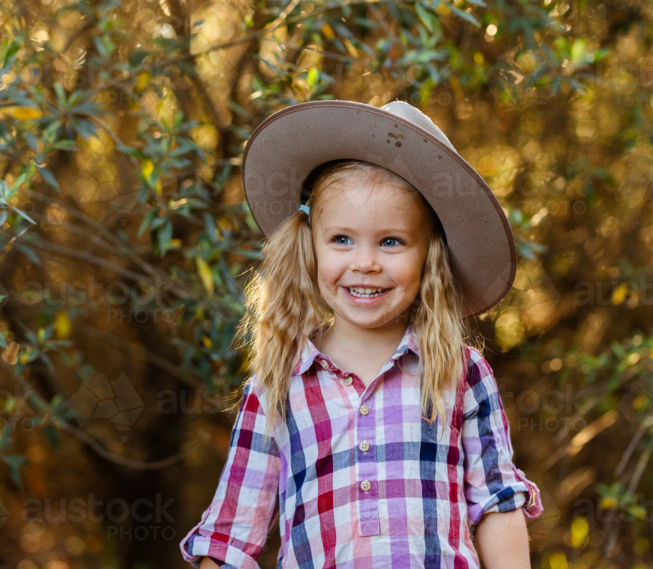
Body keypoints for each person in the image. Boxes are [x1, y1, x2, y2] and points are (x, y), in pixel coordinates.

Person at [180, 100, 543, 569]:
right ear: (310, 249)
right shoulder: (277, 388)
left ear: (428, 257)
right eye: (342, 239)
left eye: (391, 241)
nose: (365, 262)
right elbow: (230, 540)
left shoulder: (460, 372)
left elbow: (498, 503)